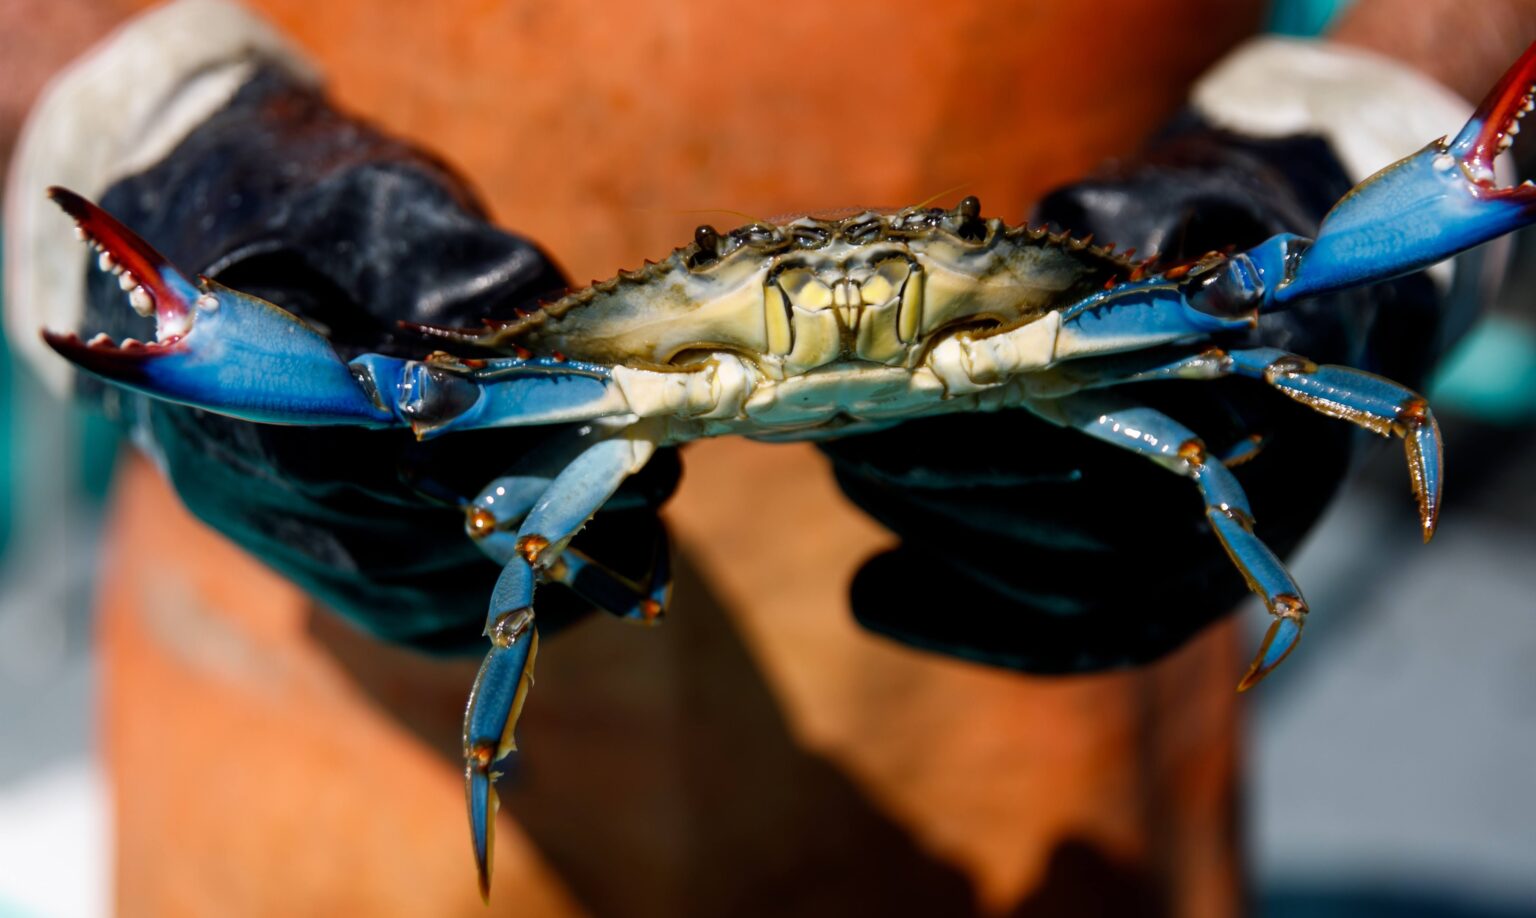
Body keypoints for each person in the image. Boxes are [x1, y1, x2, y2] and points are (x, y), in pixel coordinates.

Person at [5, 0, 1533, 913]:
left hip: (1064, 789)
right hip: (313, 782)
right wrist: (155, 136)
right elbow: (410, 392)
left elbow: (1256, 309)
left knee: (1227, 365)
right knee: (454, 458)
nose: (839, 302)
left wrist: (1370, 126)